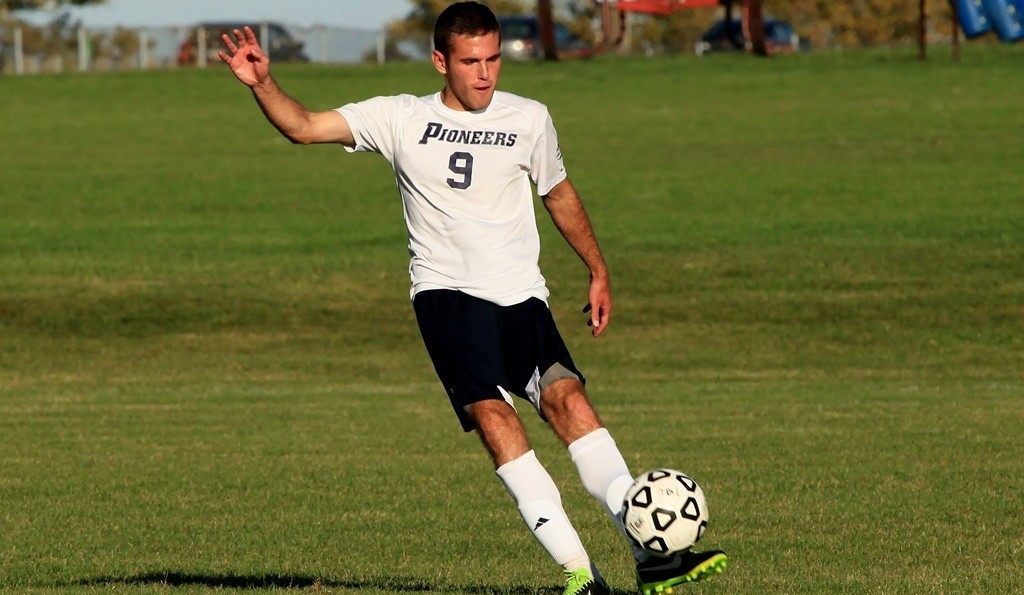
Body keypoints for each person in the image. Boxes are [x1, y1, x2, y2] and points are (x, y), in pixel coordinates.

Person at [218, 3, 726, 594]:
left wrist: (597, 268)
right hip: (448, 298)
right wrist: (263, 83)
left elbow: (558, 193)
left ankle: (651, 558)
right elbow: (304, 126)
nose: (485, 73)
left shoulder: (530, 117)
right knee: (496, 418)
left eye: (493, 59)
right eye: (470, 62)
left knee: (571, 405)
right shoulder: (400, 117)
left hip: (523, 298)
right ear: (441, 61)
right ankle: (581, 576)